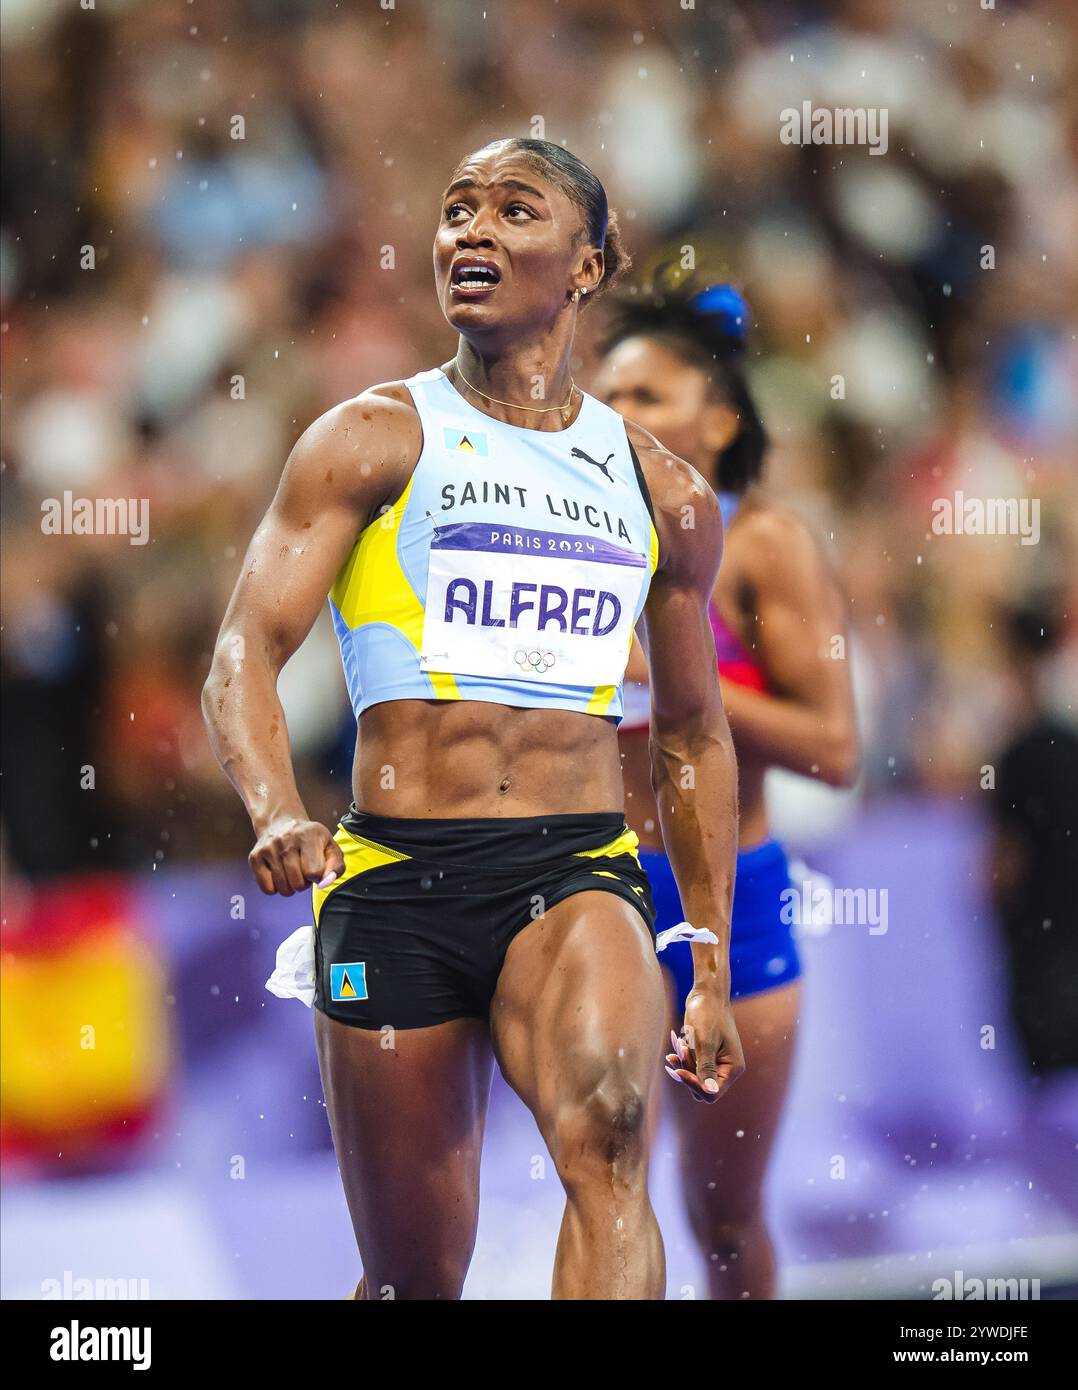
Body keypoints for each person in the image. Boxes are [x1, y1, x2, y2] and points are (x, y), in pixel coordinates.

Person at [203, 139, 742, 1301]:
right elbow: (243, 648)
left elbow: (694, 735)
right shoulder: (371, 437)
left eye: (513, 209)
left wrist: (705, 955)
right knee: (410, 1278)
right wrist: (273, 807)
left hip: (575, 866)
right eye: (455, 212)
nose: (471, 233)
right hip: (393, 875)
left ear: (589, 264)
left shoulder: (663, 493)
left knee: (608, 1141)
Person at [593, 271, 859, 1299]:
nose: (617, 418)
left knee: (724, 1217)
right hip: (600, 895)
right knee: (608, 1183)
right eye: (604, 398)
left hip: (733, 903)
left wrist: (674, 677)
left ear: (718, 419)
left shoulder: (763, 545)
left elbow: (832, 747)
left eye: (645, 397)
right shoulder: (572, 548)